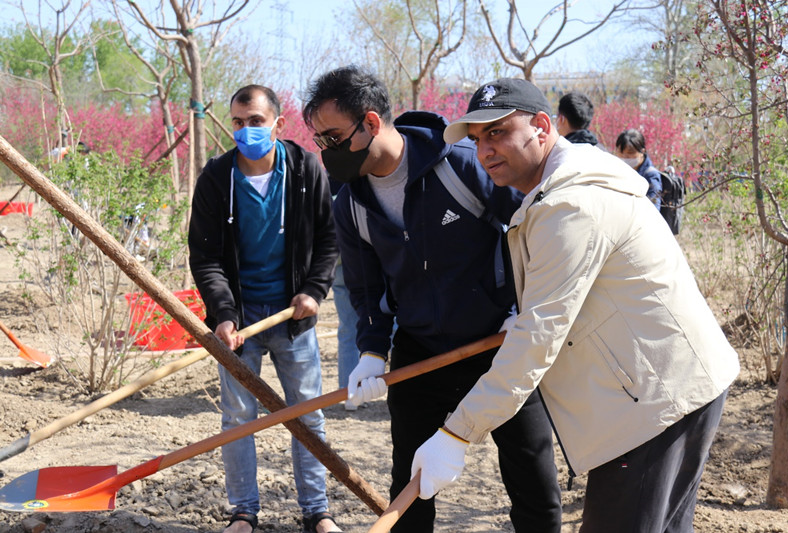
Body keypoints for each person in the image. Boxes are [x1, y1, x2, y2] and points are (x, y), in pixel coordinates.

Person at [411, 78, 740, 533]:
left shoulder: (572, 204)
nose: (485, 150)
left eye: (499, 132)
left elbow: (538, 338)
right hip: (665, 381)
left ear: (542, 127)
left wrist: (457, 432)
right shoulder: (557, 191)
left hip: (656, 398)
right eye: (478, 139)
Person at [302, 66, 561, 533]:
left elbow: (530, 228)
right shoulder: (351, 205)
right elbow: (366, 290)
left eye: (334, 137)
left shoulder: (461, 164)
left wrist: (519, 308)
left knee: (533, 481)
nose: (327, 151)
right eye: (320, 141)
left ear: (372, 122)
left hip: (497, 346)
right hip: (420, 351)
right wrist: (372, 352)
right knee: (412, 482)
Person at [188, 85, 341, 533]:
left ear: (278, 122)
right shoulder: (217, 178)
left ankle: (317, 511)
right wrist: (223, 314)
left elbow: (328, 240)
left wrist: (313, 290)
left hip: (293, 317)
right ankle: (242, 512)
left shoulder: (305, 169)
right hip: (239, 318)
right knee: (237, 418)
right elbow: (206, 256)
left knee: (307, 412)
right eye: (237, 122)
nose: (246, 130)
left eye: (255, 121)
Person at [327, 178, 361, 408]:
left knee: (348, 329)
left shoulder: (327, 181)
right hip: (364, 258)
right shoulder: (361, 175)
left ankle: (349, 395)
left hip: (337, 260)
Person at [615, 128, 663, 209]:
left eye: (630, 153)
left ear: (642, 152)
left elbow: (654, 208)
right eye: (620, 152)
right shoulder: (619, 170)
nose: (624, 157)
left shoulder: (651, 176)